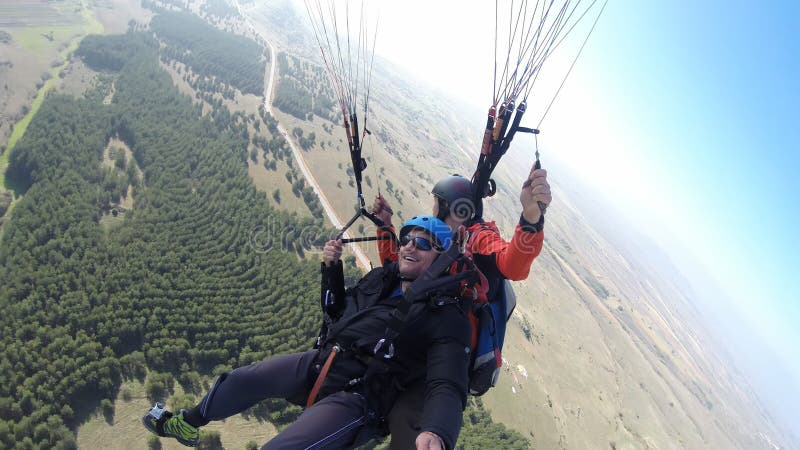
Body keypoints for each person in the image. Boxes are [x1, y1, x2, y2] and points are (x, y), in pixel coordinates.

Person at [143, 216, 473, 450]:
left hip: (361, 396)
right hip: (323, 362)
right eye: (406, 240)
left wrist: (437, 430)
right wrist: (331, 270)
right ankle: (187, 423)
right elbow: (335, 314)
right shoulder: (381, 279)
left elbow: (447, 382)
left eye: (422, 244)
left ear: (441, 259)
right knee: (242, 380)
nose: (408, 248)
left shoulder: (445, 315)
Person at [371, 165, 551, 448]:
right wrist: (385, 228)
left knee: (411, 428)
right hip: (422, 333)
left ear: (450, 207)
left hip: (444, 356)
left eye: (437, 204)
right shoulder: (444, 237)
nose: (433, 210)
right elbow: (404, 272)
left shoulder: (478, 236)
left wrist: (530, 220)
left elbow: (511, 264)